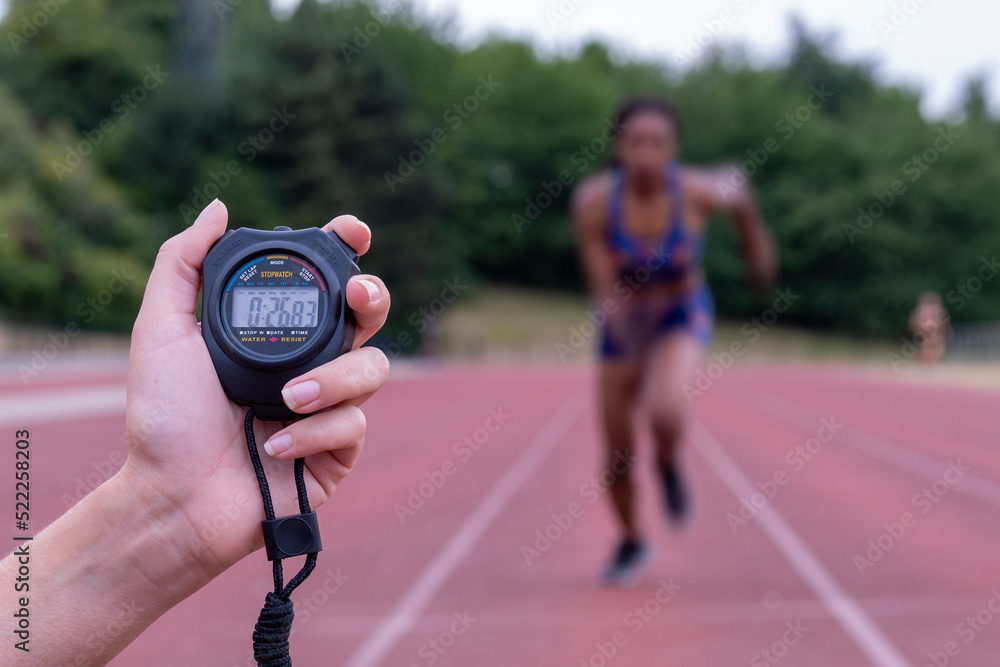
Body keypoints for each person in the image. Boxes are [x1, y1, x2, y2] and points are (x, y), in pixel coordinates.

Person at [0, 200, 391, 664]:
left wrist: (174, 511)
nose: (275, 319)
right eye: (264, 308)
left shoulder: (236, 259)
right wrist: (166, 500)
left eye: (289, 309)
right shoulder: (298, 263)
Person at [571, 97, 777, 586]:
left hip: (682, 312)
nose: (646, 153)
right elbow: (606, 293)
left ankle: (666, 462)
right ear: (619, 147)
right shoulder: (595, 203)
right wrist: (631, 357)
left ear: (674, 147)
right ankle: (631, 539)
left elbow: (764, 271)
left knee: (664, 407)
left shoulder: (698, 193)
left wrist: (747, 212)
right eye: (635, 141)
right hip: (624, 321)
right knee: (617, 458)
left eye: (658, 142)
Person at [909, 291, 950, 364]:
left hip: (932, 334)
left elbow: (945, 324)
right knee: (929, 350)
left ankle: (930, 365)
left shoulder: (923, 310)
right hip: (928, 334)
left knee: (933, 350)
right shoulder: (934, 309)